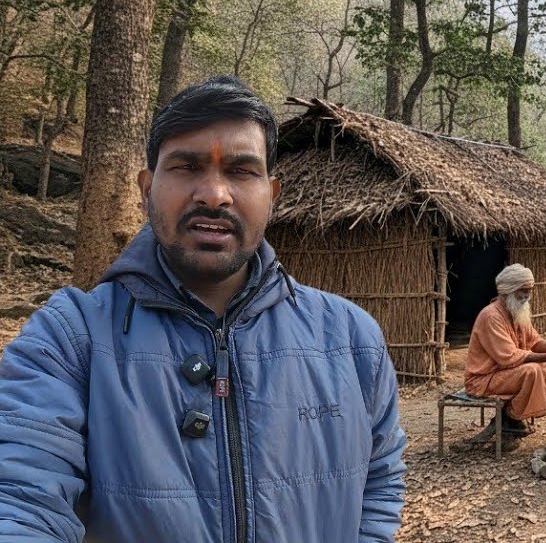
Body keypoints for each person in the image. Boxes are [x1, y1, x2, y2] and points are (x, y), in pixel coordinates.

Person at [0, 76, 407, 542]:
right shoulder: (69, 341)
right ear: (146, 187)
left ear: (272, 193)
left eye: (240, 170)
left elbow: (380, 477)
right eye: (187, 166)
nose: (214, 194)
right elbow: (21, 496)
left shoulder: (351, 340)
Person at [464, 264, 546, 444]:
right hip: (483, 379)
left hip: (506, 373)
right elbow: (509, 357)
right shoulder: (491, 316)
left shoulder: (516, 310)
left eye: (529, 291)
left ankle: (511, 418)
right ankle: (512, 418)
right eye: (523, 290)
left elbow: (535, 342)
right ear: (508, 290)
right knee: (532, 371)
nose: (527, 296)